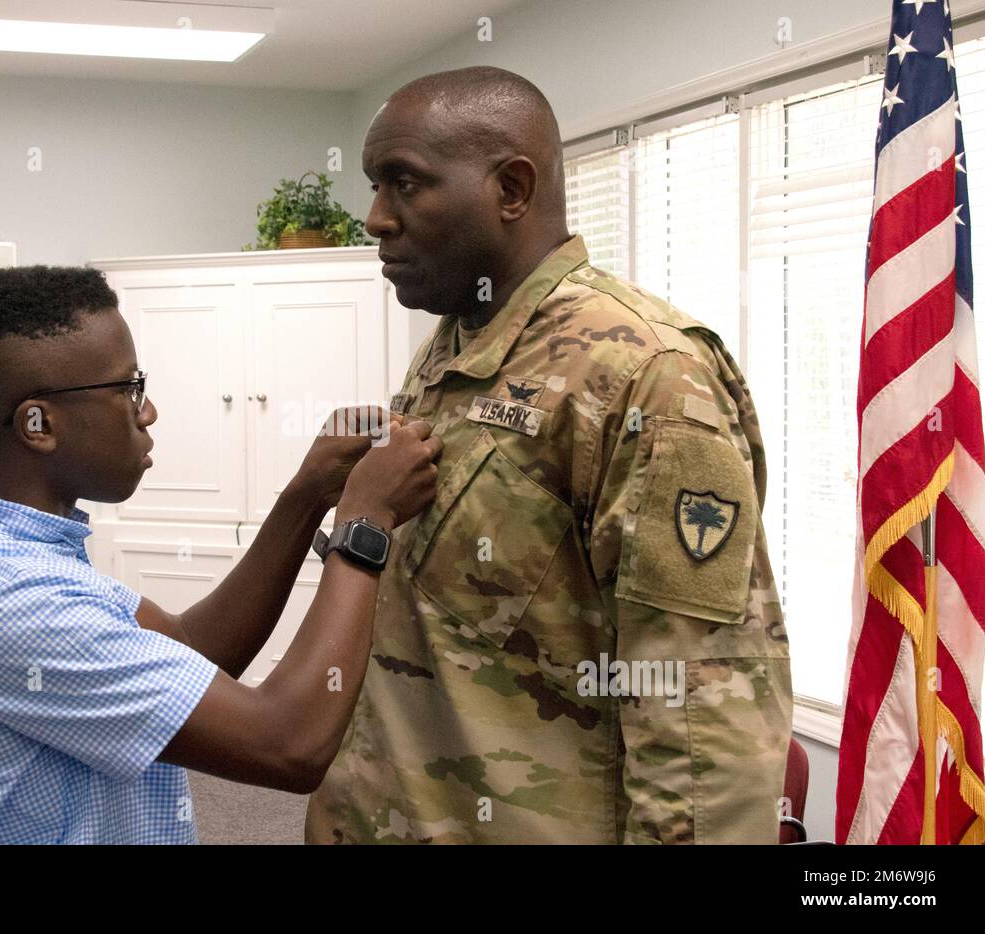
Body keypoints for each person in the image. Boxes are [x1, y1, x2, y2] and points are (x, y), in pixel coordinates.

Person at [305, 66, 793, 844]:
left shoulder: (646, 373)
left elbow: (700, 711)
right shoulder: (456, 343)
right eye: (374, 185)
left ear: (512, 188)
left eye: (404, 184)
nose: (375, 219)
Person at [0, 265, 442, 843]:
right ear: (38, 424)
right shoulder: (13, 600)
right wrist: (365, 524)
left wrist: (307, 495)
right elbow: (287, 744)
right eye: (127, 389)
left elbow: (196, 650)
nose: (147, 412)